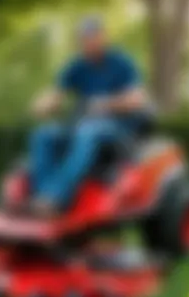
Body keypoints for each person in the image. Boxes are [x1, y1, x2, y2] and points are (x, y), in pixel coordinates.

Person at [29, 16, 148, 217]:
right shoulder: (77, 66)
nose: (89, 42)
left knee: (87, 131)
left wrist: (105, 103)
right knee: (43, 134)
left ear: (103, 38)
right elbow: (56, 93)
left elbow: (137, 100)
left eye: (93, 37)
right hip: (82, 125)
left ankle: (56, 198)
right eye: (84, 39)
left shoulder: (122, 63)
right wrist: (44, 103)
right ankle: (43, 196)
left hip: (117, 129)